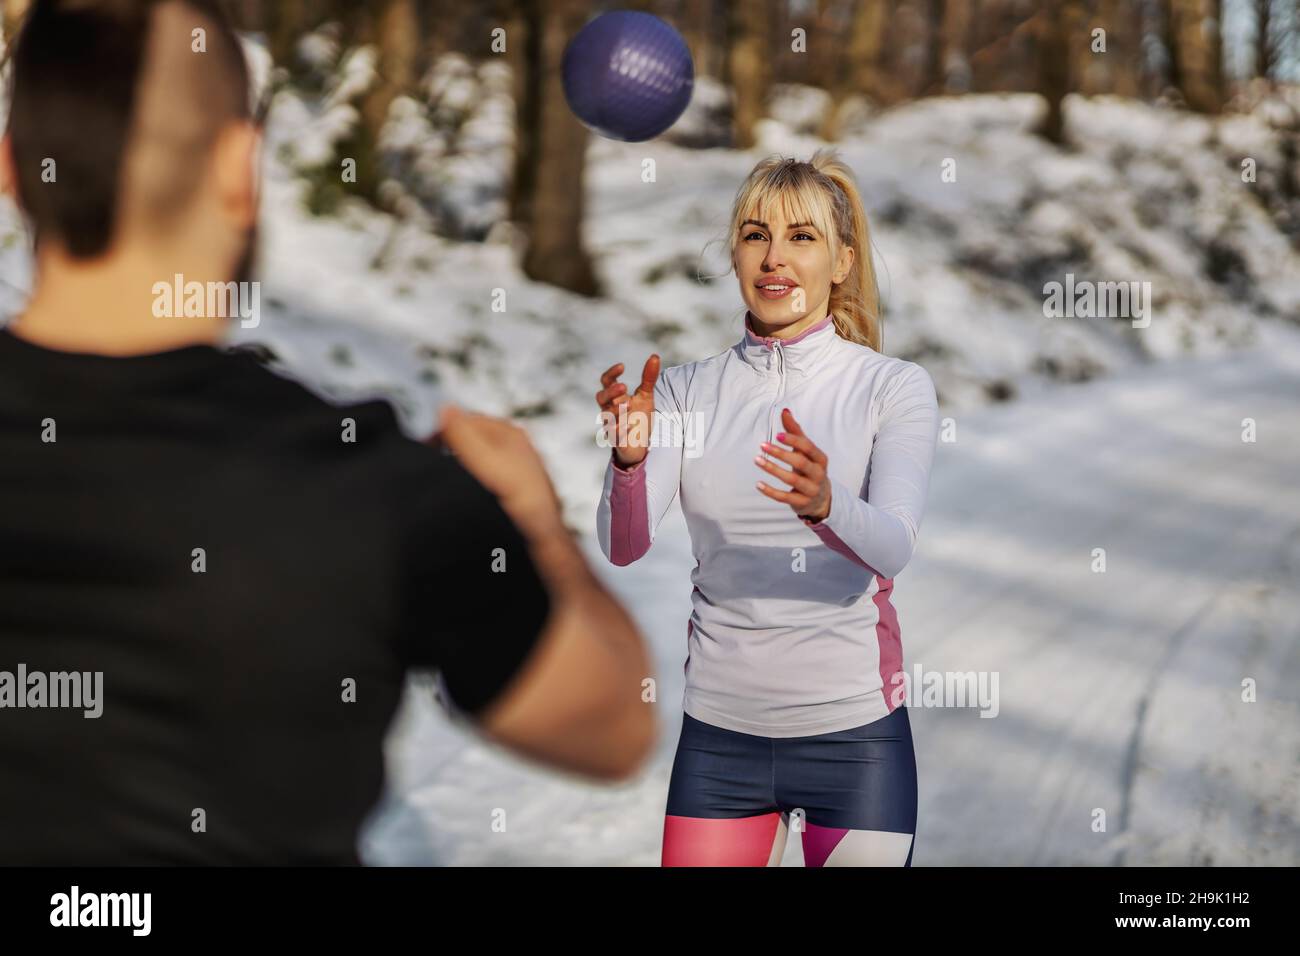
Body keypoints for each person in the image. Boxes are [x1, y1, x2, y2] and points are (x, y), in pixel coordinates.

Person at [0, 0, 653, 865]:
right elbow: (613, 727)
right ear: (240, 167)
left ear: (12, 169)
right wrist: (536, 529)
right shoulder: (376, 494)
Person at [595, 150, 939, 866]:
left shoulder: (891, 388)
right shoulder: (688, 390)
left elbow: (893, 544)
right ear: (734, 252)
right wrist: (628, 461)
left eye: (801, 237)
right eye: (756, 234)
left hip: (855, 739)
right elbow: (624, 544)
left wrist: (825, 505)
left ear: (842, 261)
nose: (774, 257)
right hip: (719, 744)